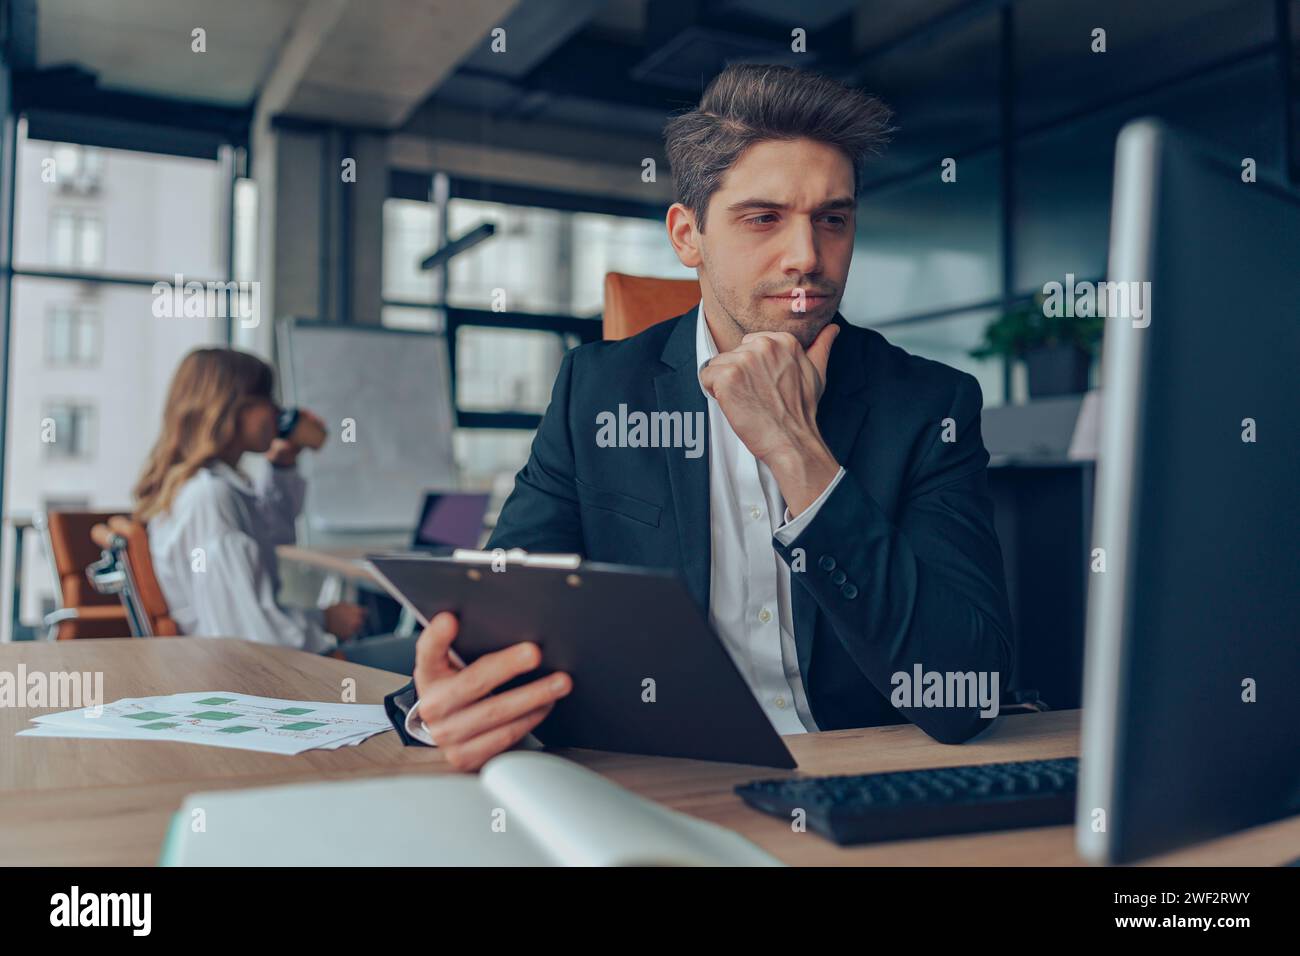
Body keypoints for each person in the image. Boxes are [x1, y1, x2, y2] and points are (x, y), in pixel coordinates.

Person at [386, 64, 1014, 770]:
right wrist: (439, 708)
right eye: (763, 218)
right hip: (662, 775)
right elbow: (503, 622)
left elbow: (970, 694)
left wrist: (800, 455)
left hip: (858, 772)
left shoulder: (930, 405)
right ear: (688, 237)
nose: (807, 257)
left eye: (832, 220)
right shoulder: (597, 391)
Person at [134, 347, 416, 673]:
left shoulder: (205, 487)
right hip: (271, 673)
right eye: (267, 398)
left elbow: (274, 533)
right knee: (441, 651)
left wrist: (284, 465)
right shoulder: (211, 497)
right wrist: (322, 621)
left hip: (249, 663)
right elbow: (250, 632)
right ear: (232, 408)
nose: (276, 411)